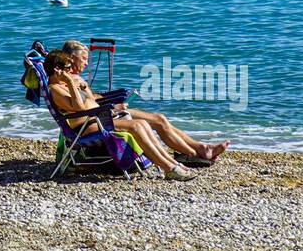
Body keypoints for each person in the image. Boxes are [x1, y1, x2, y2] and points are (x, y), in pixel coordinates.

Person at [61, 40, 229, 164]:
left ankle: (201, 148)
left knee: (159, 118)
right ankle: (192, 154)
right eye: (83, 58)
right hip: (96, 119)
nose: (86, 63)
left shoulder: (76, 77)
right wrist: (109, 106)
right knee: (144, 123)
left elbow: (89, 99)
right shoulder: (64, 82)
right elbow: (77, 109)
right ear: (70, 58)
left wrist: (111, 102)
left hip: (104, 111)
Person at [44, 49, 197, 180]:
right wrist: (71, 83)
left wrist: (82, 87)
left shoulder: (63, 85)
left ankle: (171, 163)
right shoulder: (56, 89)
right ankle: (169, 168)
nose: (71, 71)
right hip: (84, 127)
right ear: (58, 70)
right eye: (68, 68)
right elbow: (78, 107)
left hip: (96, 119)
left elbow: (88, 101)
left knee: (142, 123)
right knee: (136, 126)